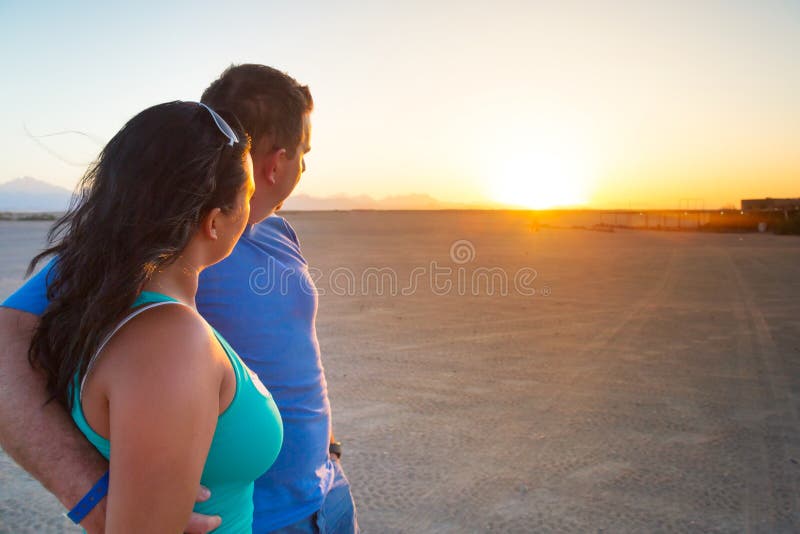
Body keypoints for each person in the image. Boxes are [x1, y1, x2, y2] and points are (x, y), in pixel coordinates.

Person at [0, 65, 358, 533]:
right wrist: (93, 494)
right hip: (252, 519)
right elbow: (6, 343)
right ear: (278, 160)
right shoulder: (147, 244)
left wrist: (324, 445)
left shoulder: (277, 233)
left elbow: (291, 345)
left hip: (325, 497)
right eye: (303, 154)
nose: (304, 167)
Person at [18, 100, 284, 531]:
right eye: (248, 197)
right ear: (214, 222)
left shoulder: (108, 302)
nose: (253, 211)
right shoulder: (171, 343)